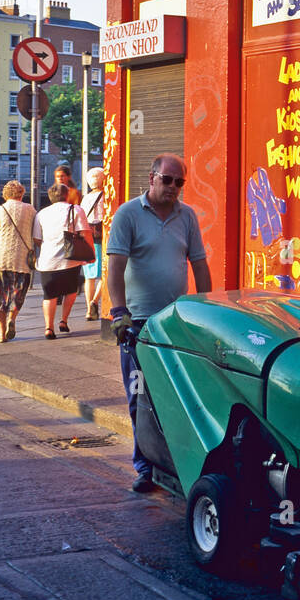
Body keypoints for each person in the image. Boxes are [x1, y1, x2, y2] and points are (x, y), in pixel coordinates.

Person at [106, 153, 211, 492]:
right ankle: (144, 467)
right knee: (140, 396)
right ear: (151, 178)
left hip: (176, 321)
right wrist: (118, 312)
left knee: (178, 396)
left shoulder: (188, 216)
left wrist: (205, 309)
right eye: (168, 180)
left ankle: (176, 464)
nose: (174, 187)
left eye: (180, 182)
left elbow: (199, 264)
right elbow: (115, 268)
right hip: (138, 323)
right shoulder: (128, 214)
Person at [0, 181, 36, 344]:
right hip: (22, 259)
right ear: (22, 194)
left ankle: (1, 334)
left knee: (0, 296)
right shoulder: (30, 210)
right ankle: (13, 317)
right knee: (19, 292)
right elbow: (37, 234)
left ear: (5, 195)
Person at [32, 183, 93, 339]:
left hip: (47, 261)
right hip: (70, 260)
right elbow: (85, 234)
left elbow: (37, 239)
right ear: (67, 195)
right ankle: (63, 321)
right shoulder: (76, 210)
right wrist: (91, 254)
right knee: (71, 290)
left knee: (49, 295)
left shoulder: (41, 214)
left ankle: (48, 328)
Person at [80, 167, 105, 321]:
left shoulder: (85, 199)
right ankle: (96, 300)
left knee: (89, 277)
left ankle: (89, 310)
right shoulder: (106, 196)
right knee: (104, 274)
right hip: (103, 238)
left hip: (88, 238)